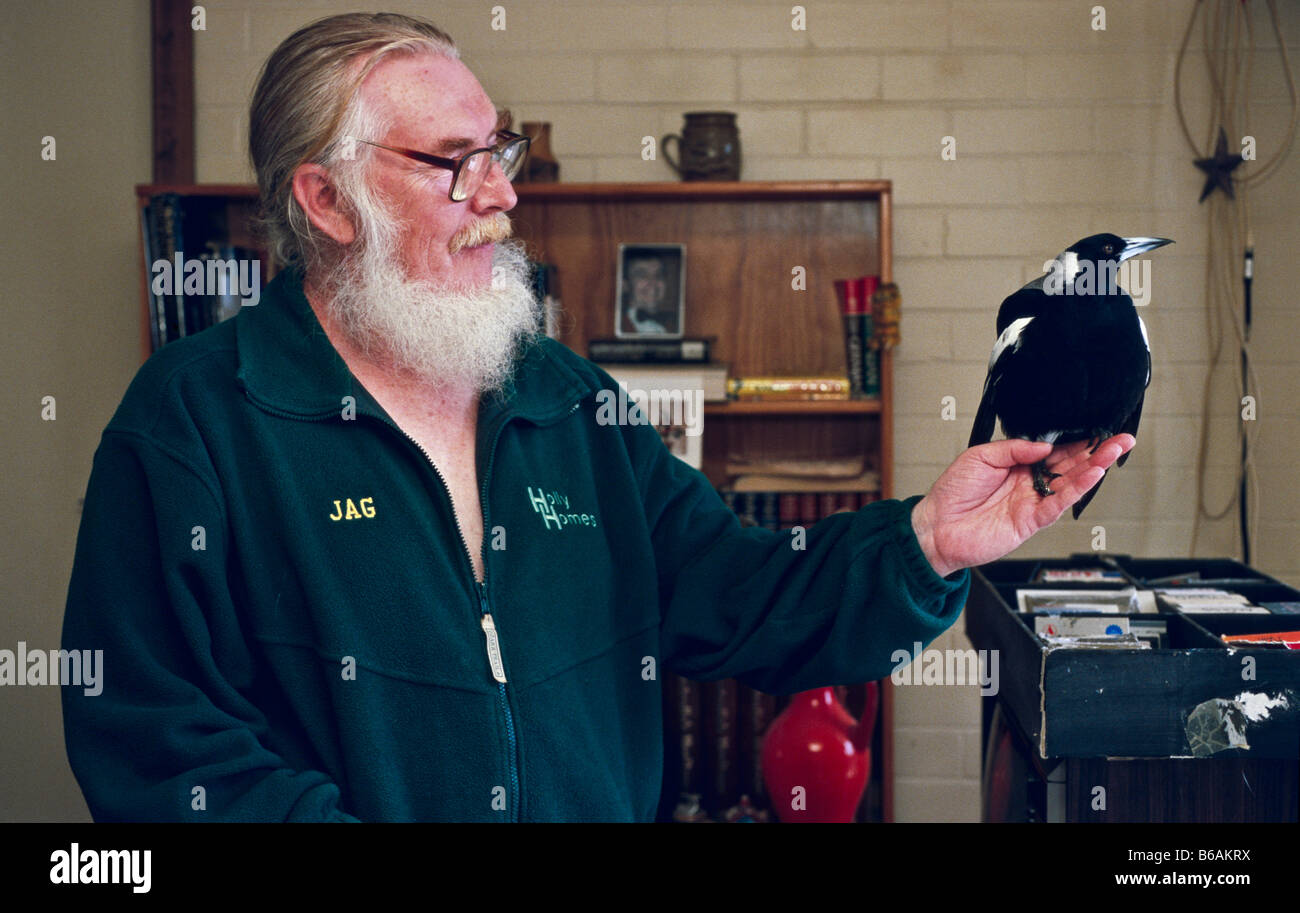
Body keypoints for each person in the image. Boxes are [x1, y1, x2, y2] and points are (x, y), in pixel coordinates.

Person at [61, 12, 1133, 822]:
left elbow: (744, 595)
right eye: (453, 164)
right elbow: (158, 747)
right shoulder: (193, 425)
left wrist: (927, 541)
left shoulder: (568, 402)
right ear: (326, 203)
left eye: (501, 153)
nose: (501, 196)